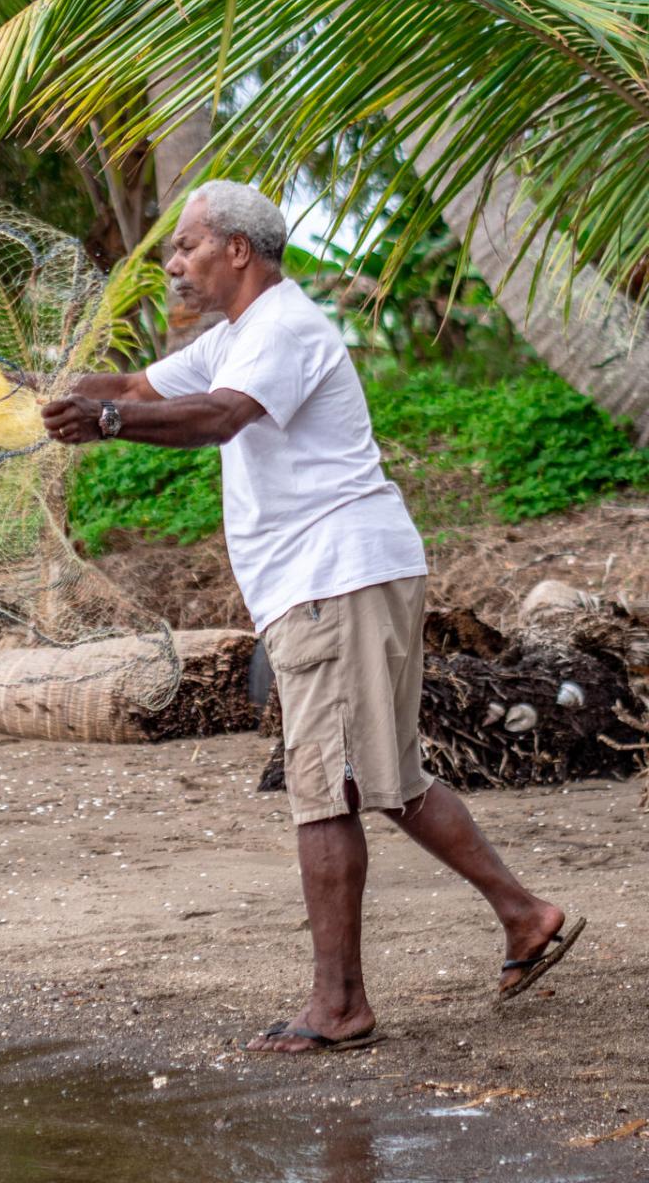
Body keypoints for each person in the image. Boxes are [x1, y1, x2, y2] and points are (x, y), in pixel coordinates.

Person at [41, 179, 583, 1053]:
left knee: (326, 790)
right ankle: (524, 914)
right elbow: (139, 383)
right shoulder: (238, 335)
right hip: (349, 574)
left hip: (333, 579)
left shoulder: (282, 329)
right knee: (385, 778)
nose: (173, 263)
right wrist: (27, 393)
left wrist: (105, 421)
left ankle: (339, 1007)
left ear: (237, 250)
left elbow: (218, 418)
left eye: (186, 246)